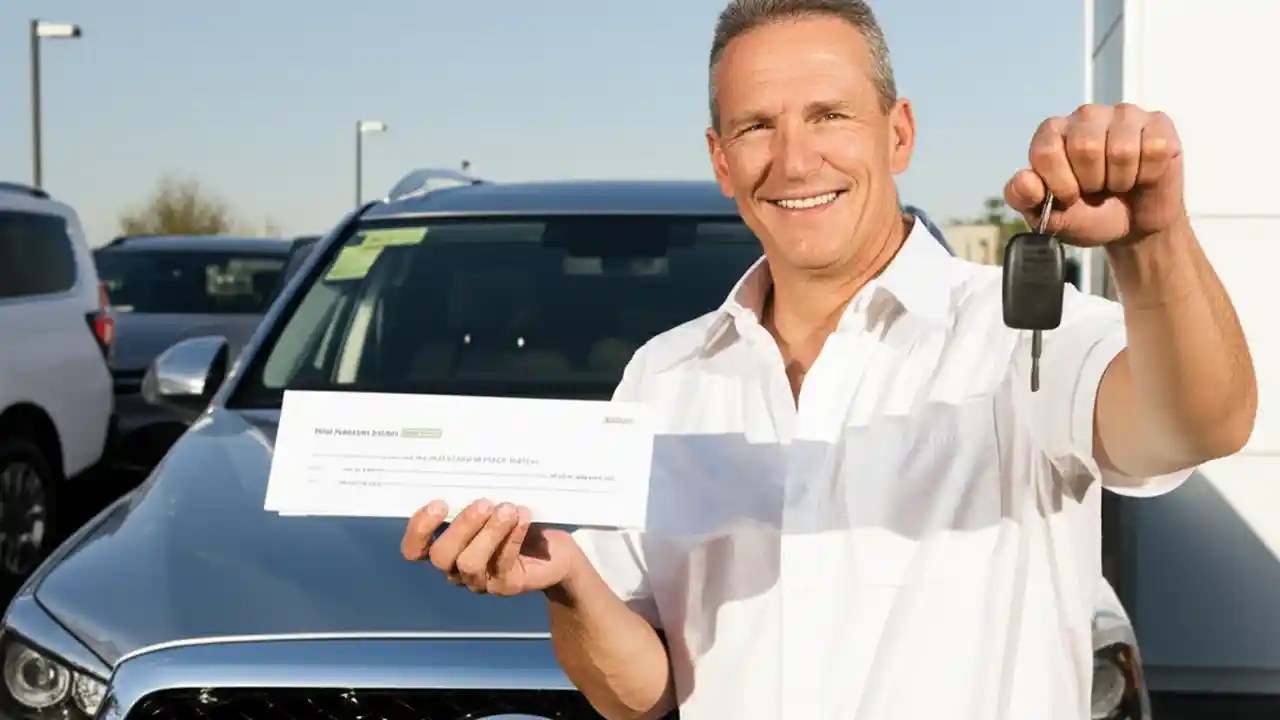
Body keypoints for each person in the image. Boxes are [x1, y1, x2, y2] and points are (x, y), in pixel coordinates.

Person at [400, 0, 1258, 717]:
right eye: (756, 127)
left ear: (900, 133)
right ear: (721, 161)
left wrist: (1152, 240)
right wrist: (569, 584)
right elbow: (640, 696)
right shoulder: (665, 379)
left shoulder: (1022, 333)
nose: (796, 158)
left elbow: (1200, 421)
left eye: (829, 115)